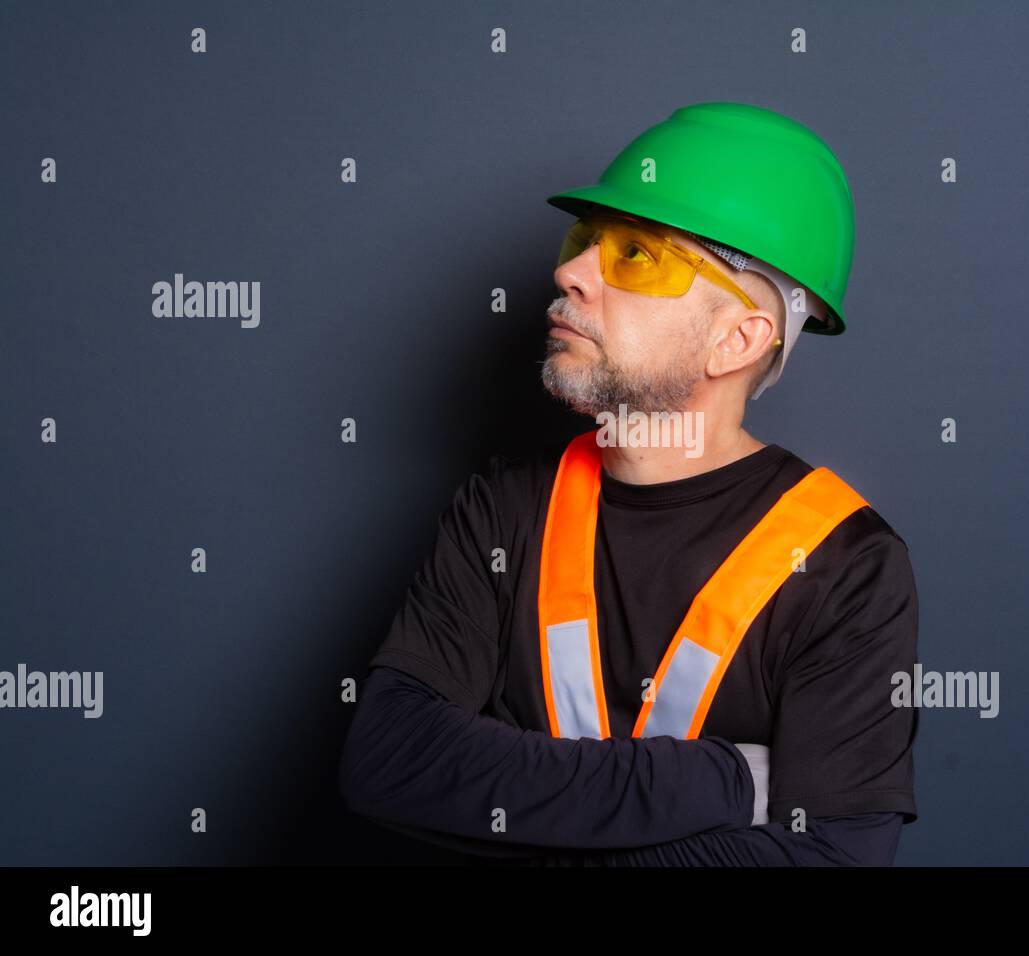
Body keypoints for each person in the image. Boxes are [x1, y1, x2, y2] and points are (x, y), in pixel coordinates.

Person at [338, 102, 920, 866]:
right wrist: (721, 781)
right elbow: (389, 758)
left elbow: (835, 857)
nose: (569, 274)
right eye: (586, 241)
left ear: (737, 338)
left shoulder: (846, 567)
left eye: (637, 255)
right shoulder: (504, 512)